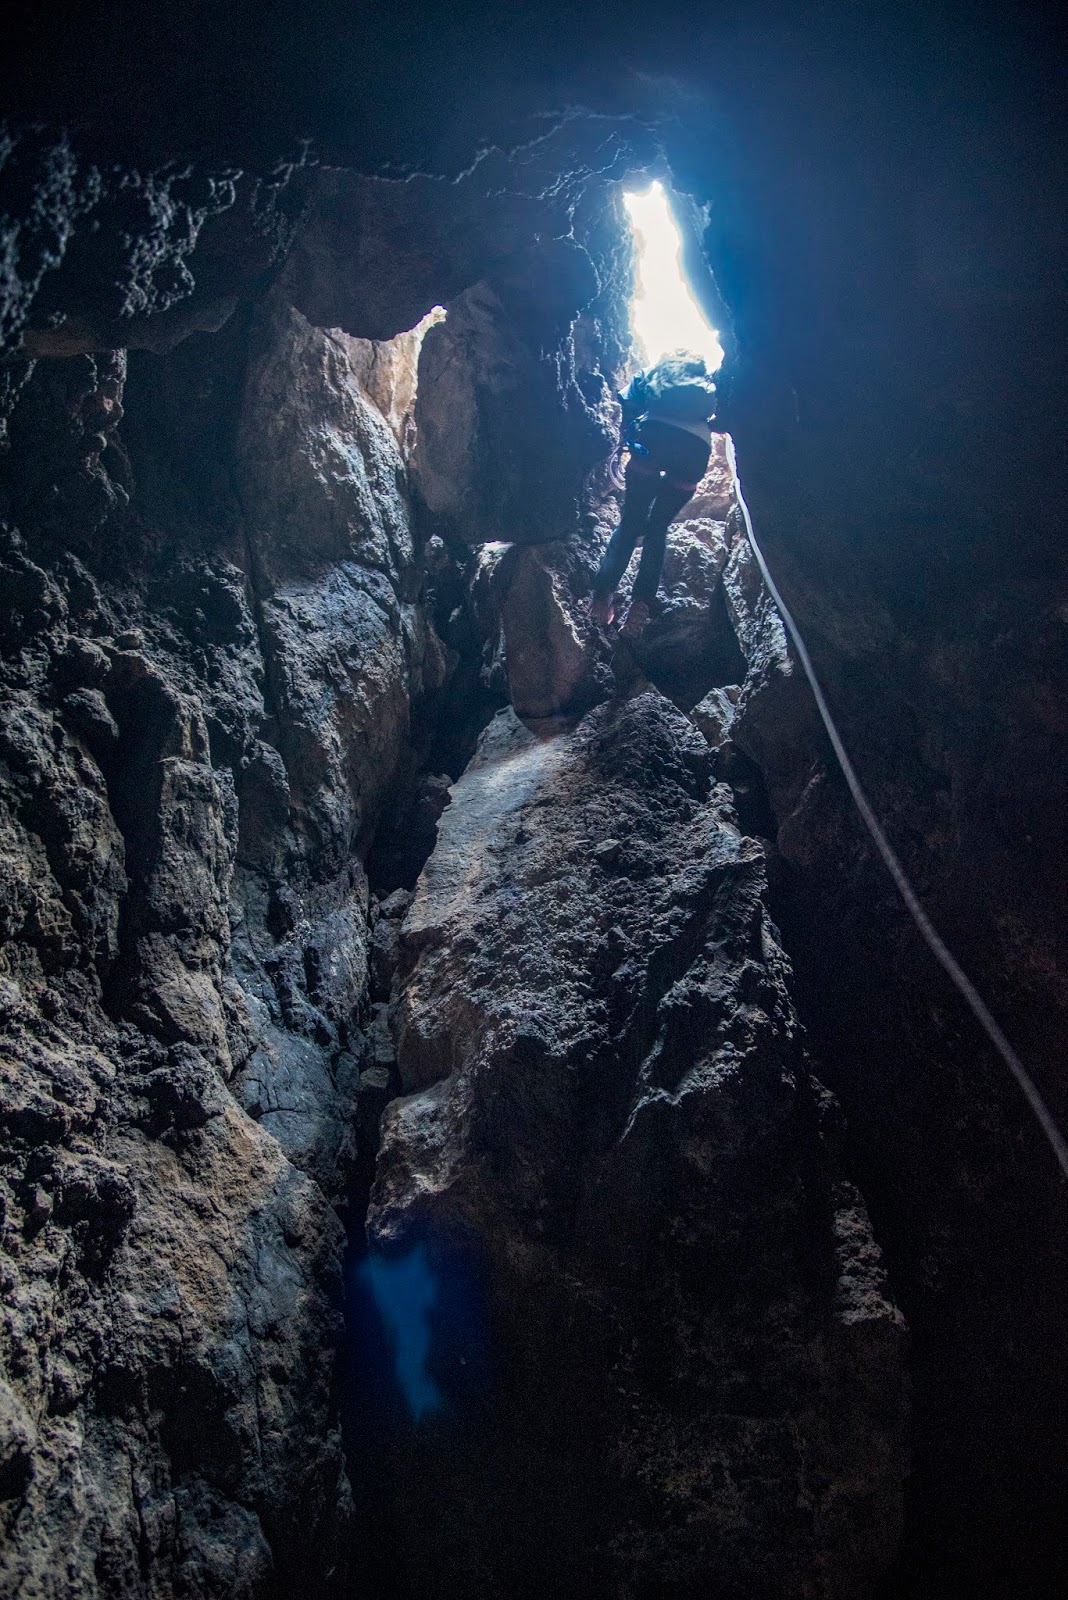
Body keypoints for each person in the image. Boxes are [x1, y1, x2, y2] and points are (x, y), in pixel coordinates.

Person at [590, 351, 719, 636]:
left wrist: (631, 431)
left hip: (653, 440)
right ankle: (639, 609)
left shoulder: (655, 371)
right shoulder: (708, 381)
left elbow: (627, 398)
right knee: (657, 528)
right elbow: (723, 417)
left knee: (631, 523)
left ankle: (602, 600)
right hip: (695, 452)